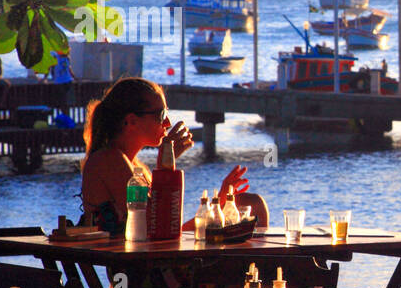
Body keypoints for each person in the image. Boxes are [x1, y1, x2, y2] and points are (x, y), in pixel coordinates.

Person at [80, 77, 264, 234]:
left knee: (251, 203)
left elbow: (172, 229)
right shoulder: (108, 160)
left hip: (160, 259)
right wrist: (166, 167)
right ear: (131, 121)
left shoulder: (136, 167)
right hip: (143, 270)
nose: (167, 122)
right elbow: (158, 227)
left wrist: (220, 202)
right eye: (160, 115)